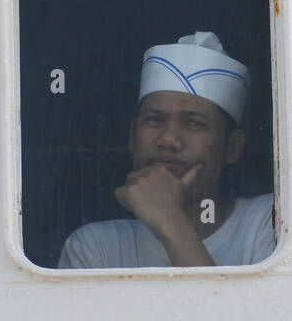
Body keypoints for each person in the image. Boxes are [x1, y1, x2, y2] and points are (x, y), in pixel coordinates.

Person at [57, 31, 275, 268]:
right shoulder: (96, 246)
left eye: (194, 123)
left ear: (232, 147)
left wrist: (170, 222)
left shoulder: (269, 221)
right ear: (132, 137)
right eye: (154, 120)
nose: (169, 140)